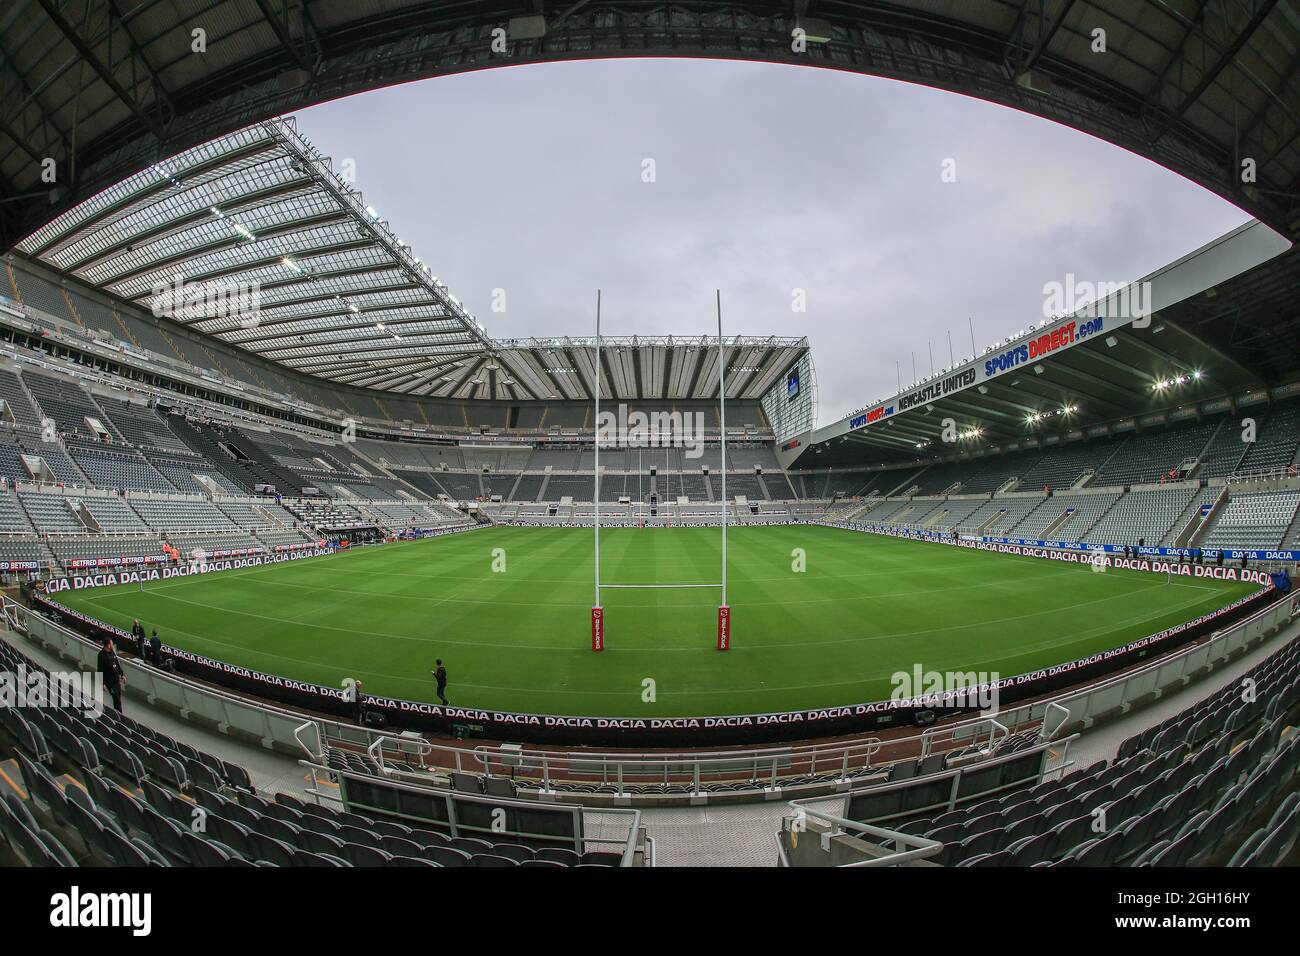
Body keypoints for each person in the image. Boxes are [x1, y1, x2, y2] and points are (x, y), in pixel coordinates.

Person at [97, 638, 125, 712]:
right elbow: (100, 670)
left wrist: (122, 675)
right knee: (116, 699)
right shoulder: (101, 655)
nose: (112, 644)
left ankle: (117, 714)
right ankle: (120, 717)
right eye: (111, 643)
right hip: (110, 683)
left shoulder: (112, 652)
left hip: (116, 680)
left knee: (118, 699)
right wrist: (102, 684)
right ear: (109, 645)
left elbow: (117, 663)